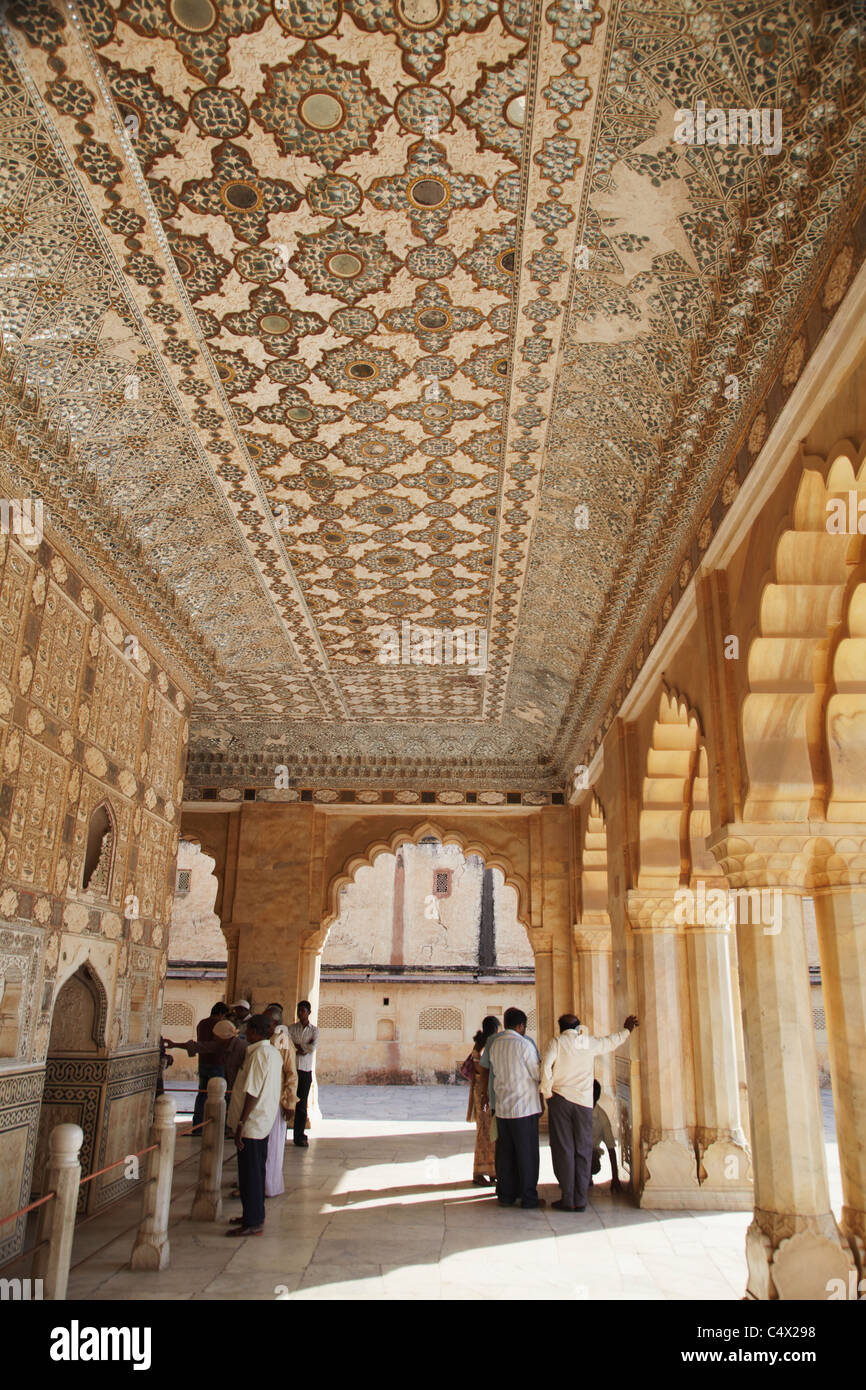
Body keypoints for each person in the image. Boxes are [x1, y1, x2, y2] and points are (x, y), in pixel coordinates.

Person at [540, 1013, 638, 1212]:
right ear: (578, 1028)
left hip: (560, 1100)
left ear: (560, 1028)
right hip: (584, 1103)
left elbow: (545, 1067)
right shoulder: (584, 1042)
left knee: (564, 1149)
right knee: (583, 1149)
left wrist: (547, 1091)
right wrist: (627, 1030)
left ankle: (568, 1198)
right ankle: (581, 1199)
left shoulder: (556, 1042)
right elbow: (608, 1043)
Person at [479, 1006, 544, 1210]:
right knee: (526, 1155)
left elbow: (489, 1071)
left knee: (505, 1154)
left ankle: (506, 1195)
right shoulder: (524, 1045)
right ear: (520, 1025)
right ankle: (528, 1197)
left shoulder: (495, 1045)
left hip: (503, 1108)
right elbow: (537, 1074)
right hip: (524, 1108)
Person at [226, 1013, 283, 1237]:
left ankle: (253, 1222)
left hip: (252, 1123)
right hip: (263, 1122)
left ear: (254, 1031)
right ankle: (253, 1215)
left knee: (250, 1174)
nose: (245, 1033)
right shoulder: (272, 1053)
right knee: (255, 1172)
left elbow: (251, 1091)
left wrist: (241, 1124)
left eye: (248, 1030)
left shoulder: (259, 1054)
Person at [165, 1001, 230, 1129]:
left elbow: (200, 1045)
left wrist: (176, 1045)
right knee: (218, 1095)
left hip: (203, 1063)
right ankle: (216, 1126)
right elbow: (210, 1046)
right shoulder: (220, 1025)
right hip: (217, 1064)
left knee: (202, 1094)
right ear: (221, 1014)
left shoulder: (202, 1024)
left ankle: (198, 1125)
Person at [263, 1003, 298, 1198]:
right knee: (263, 1145)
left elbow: (291, 1074)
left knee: (273, 1146)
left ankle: (270, 1185)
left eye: (267, 1020)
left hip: (277, 1100)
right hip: (265, 1099)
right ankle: (261, 1183)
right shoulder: (268, 1039)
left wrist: (290, 1102)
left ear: (275, 1022)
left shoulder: (282, 1041)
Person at [467, 1015, 500, 1186]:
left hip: (481, 1092)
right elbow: (484, 1070)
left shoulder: (481, 1044)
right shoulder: (487, 1046)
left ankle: (493, 1170)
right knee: (485, 1133)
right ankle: (479, 1172)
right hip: (485, 1094)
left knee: (489, 1132)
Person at [288, 1001, 318, 1148]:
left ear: (309, 1012)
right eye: (299, 1011)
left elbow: (312, 1048)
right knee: (287, 1101)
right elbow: (289, 1046)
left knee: (301, 1105)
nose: (301, 1013)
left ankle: (299, 1135)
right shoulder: (291, 1028)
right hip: (292, 1069)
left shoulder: (314, 1030)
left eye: (303, 1011)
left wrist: (299, 1046)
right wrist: (299, 1047)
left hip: (305, 1071)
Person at [591, 1078, 621, 1193]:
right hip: (576, 1150)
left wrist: (615, 1178)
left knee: (591, 1161)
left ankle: (586, 1174)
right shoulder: (577, 1110)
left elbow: (611, 1148)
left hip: (591, 1151)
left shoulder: (602, 1118)